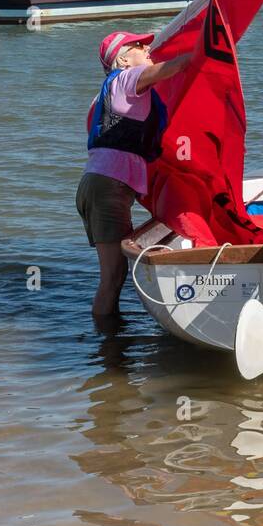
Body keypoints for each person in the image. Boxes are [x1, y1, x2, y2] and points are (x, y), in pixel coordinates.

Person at [77, 30, 191, 317]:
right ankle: (109, 349)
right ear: (124, 60)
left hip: (103, 186)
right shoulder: (126, 79)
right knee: (113, 277)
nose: (148, 47)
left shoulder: (117, 91)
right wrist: (207, 50)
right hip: (106, 188)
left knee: (114, 276)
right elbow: (171, 68)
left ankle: (109, 343)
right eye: (140, 45)